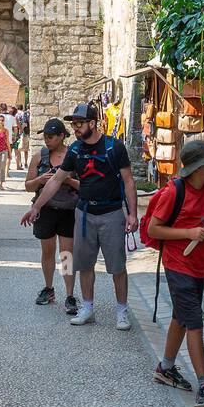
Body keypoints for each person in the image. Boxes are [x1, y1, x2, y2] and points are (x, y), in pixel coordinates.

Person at [27, 103, 138, 330]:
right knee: (85, 265)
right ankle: (87, 308)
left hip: (111, 213)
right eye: (73, 124)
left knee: (117, 266)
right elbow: (56, 180)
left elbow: (128, 181)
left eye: (78, 123)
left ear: (92, 123)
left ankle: (122, 311)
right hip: (84, 214)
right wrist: (36, 207)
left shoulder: (114, 147)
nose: (75, 128)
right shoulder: (76, 150)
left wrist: (133, 214)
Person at [144, 139, 204, 407]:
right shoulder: (172, 193)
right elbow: (154, 229)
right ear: (199, 168)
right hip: (178, 265)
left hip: (200, 264)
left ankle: (165, 368)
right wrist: (189, 233)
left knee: (181, 316)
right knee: (194, 322)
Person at [19, 118, 80, 314]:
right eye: (45, 136)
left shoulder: (74, 156)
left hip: (68, 210)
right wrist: (39, 180)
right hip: (45, 210)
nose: (47, 140)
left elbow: (85, 186)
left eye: (51, 137)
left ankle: (70, 295)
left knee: (66, 254)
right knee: (47, 251)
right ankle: (49, 288)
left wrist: (67, 181)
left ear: (62, 136)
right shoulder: (39, 157)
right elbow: (28, 186)